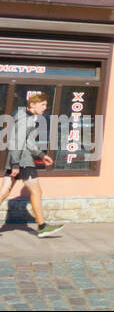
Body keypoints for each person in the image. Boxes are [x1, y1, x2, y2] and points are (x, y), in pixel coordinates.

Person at [2, 92, 65, 236]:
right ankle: (42, 226)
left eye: (46, 105)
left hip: (16, 159)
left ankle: (42, 226)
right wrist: (16, 164)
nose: (45, 108)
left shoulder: (26, 117)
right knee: (37, 192)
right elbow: (17, 142)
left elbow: (28, 141)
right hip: (23, 161)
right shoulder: (26, 120)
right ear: (32, 105)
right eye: (42, 105)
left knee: (4, 192)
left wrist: (42, 155)